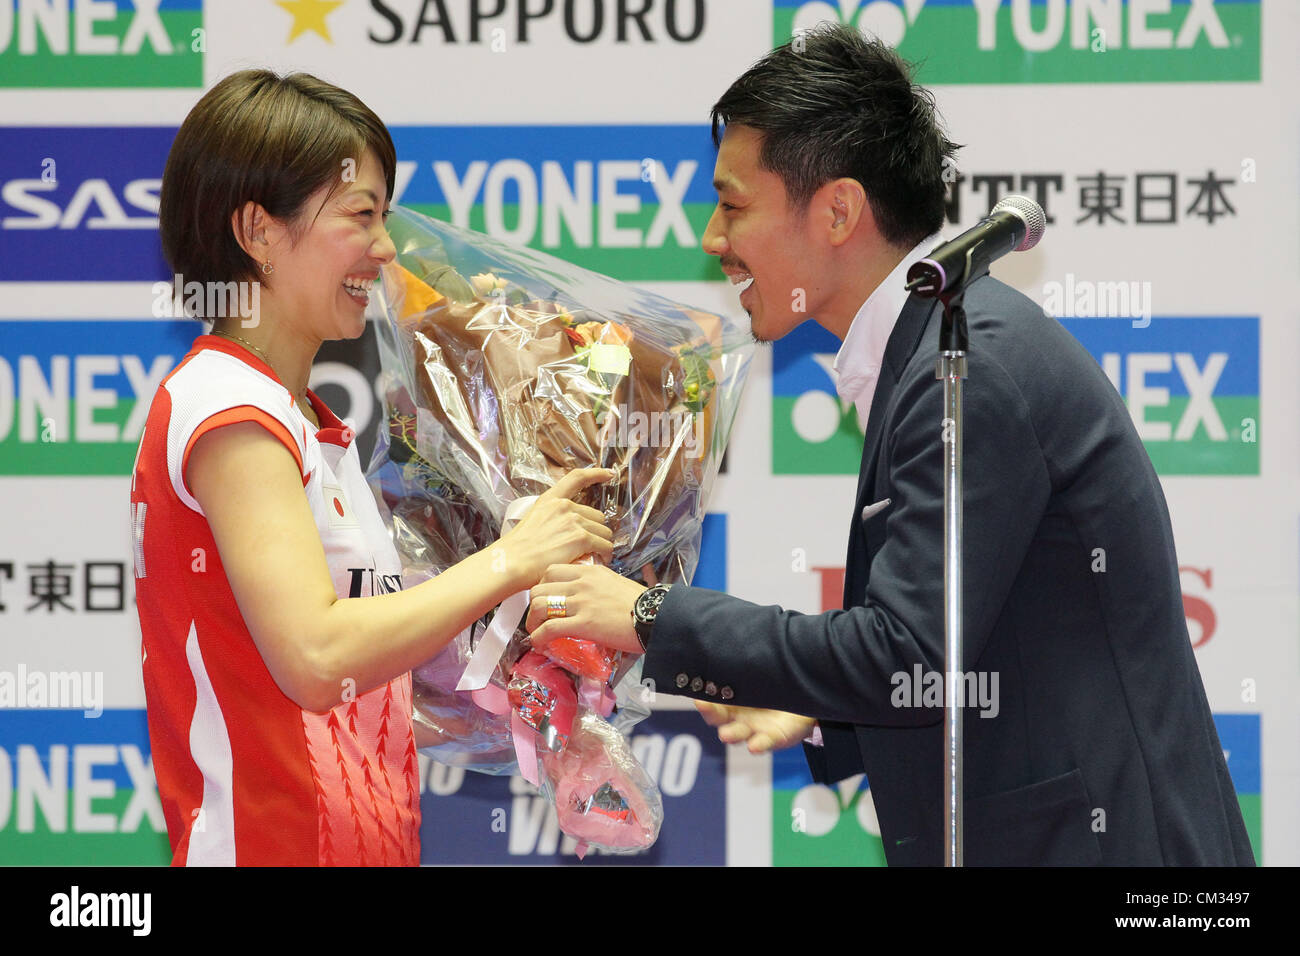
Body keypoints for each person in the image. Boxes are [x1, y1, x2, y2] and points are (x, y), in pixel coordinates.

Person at [523, 25, 1255, 866]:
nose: (711, 239)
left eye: (733, 205)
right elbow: (969, 647)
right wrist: (820, 709)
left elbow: (909, 652)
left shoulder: (967, 367)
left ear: (838, 211)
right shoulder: (939, 353)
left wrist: (649, 616)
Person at [131, 70, 614, 866]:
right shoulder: (228, 406)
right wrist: (510, 561)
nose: (386, 249)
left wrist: (546, 702)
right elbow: (318, 657)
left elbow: (375, 660)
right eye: (362, 215)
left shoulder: (304, 420)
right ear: (258, 230)